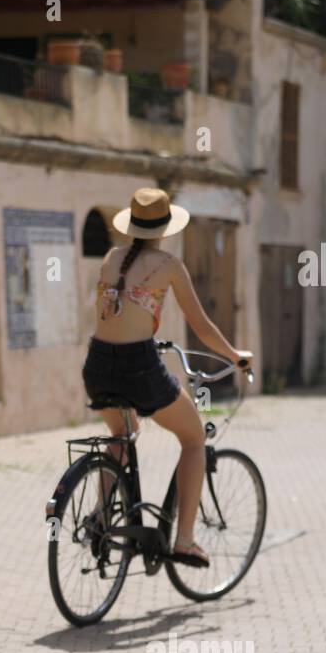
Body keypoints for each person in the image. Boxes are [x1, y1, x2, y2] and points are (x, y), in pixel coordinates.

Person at [83, 188, 253, 568]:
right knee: (193, 439)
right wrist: (235, 356)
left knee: (121, 437)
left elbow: (119, 314)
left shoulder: (111, 257)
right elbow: (202, 327)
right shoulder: (170, 265)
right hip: (138, 366)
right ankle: (186, 541)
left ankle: (99, 515)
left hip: (97, 363)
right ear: (164, 227)